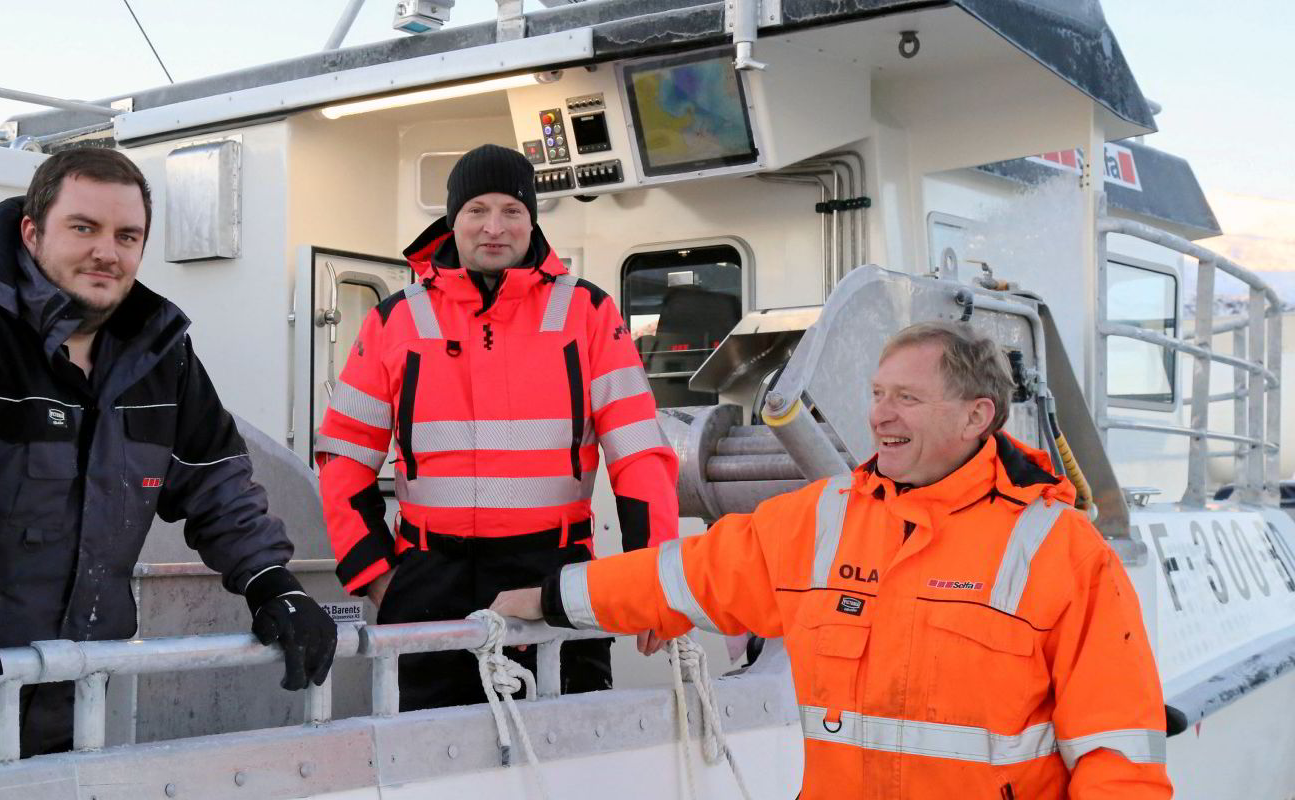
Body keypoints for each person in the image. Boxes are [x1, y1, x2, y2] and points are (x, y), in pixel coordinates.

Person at [493, 321, 1172, 798]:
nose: (880, 416)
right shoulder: (823, 517)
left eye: (907, 398)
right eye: (877, 394)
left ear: (975, 418)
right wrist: (551, 599)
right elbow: (688, 574)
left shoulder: (1062, 550)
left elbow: (1118, 752)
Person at [0, 148, 336, 779]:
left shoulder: (161, 355)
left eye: (127, 236)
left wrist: (274, 586)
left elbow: (216, 483)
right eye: (84, 228)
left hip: (68, 705)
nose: (108, 252)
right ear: (31, 231)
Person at [316, 144, 679, 711]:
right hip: (428, 581)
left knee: (564, 753)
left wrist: (653, 579)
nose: (494, 227)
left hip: (555, 579)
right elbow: (343, 455)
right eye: (476, 210)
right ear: (451, 219)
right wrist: (374, 572)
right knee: (431, 763)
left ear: (531, 219)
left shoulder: (587, 312)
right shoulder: (395, 320)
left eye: (511, 210)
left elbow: (639, 453)